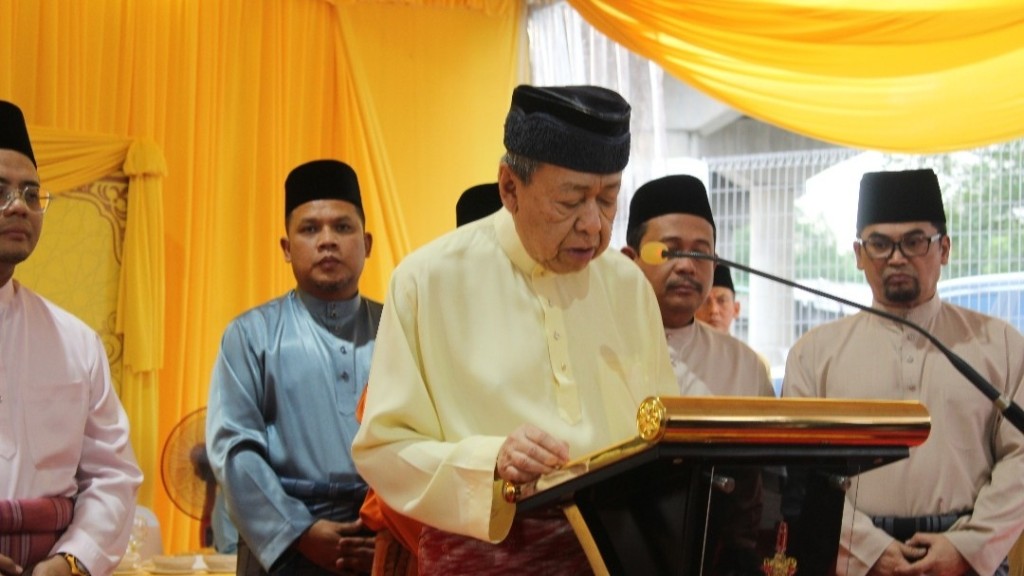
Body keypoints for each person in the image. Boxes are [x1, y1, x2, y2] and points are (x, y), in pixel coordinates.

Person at [352, 85, 694, 574]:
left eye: (608, 198)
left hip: (615, 554)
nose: (594, 226)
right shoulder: (428, 280)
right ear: (510, 187)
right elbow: (384, 449)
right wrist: (490, 461)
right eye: (571, 201)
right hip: (482, 556)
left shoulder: (627, 286)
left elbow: (662, 434)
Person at [783, 168, 1024, 576]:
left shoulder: (999, 343)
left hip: (964, 555)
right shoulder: (814, 354)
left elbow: (1021, 455)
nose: (896, 257)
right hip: (856, 558)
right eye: (879, 244)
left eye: (914, 241)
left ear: (944, 248)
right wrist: (869, 550)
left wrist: (966, 547)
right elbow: (801, 471)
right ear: (859, 255)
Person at [206, 159, 380, 576]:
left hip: (379, 541)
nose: (327, 241)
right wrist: (299, 530)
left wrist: (391, 529)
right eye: (309, 229)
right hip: (284, 549)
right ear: (286, 248)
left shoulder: (401, 332)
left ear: (367, 243)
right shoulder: (251, 335)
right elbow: (233, 449)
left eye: (342, 227)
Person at [0, 100, 143, 576]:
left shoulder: (75, 341)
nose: (18, 205)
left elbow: (113, 474)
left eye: (30, 192)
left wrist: (74, 559)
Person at [622, 174, 773, 399]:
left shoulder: (745, 368)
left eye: (700, 253)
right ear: (630, 260)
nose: (686, 266)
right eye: (670, 251)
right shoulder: (595, 347)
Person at [696, 264, 741, 334]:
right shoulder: (676, 344)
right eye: (705, 302)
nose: (714, 310)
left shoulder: (739, 345)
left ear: (736, 309)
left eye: (722, 301)